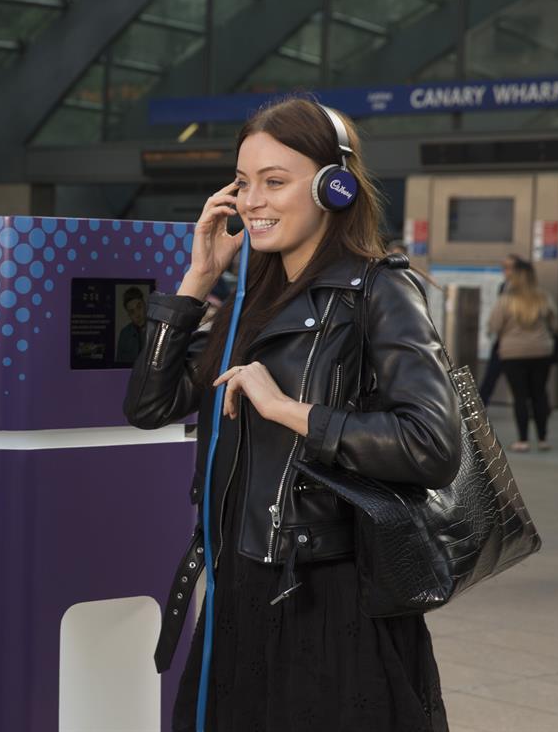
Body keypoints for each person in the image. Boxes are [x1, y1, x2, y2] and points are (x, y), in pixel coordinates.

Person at [124, 98, 459, 732]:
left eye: (275, 182)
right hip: (238, 589)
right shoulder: (249, 300)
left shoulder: (382, 292)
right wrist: (197, 283)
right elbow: (148, 406)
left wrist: (290, 410)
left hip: (332, 602)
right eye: (243, 183)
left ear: (335, 186)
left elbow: (431, 444)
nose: (253, 201)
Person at [488, 259, 558, 452]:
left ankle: (523, 440)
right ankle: (543, 439)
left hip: (513, 353)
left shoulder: (506, 300)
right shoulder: (543, 297)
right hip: (541, 351)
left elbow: (494, 325)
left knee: (520, 396)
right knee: (539, 393)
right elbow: (554, 323)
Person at [478, 254, 522, 405]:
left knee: (519, 381)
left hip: (517, 341)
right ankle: (481, 404)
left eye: (509, 267)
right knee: (491, 375)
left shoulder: (524, 289)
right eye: (504, 267)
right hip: (503, 338)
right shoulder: (504, 286)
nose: (506, 271)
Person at [116, 286, 148, 362]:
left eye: (139, 307)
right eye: (132, 312)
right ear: (129, 315)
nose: (137, 315)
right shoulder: (124, 334)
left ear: (145, 305)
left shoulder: (158, 329)